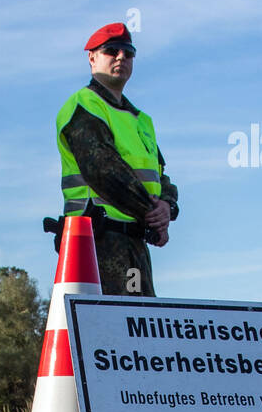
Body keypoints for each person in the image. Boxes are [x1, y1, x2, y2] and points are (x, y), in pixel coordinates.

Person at [53, 22, 179, 296]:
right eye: (112, 51)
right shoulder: (84, 105)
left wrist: (167, 207)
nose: (121, 57)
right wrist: (153, 214)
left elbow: (160, 176)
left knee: (140, 327)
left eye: (128, 53)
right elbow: (103, 170)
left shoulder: (140, 120)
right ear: (92, 57)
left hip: (134, 243)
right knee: (103, 330)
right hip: (94, 242)